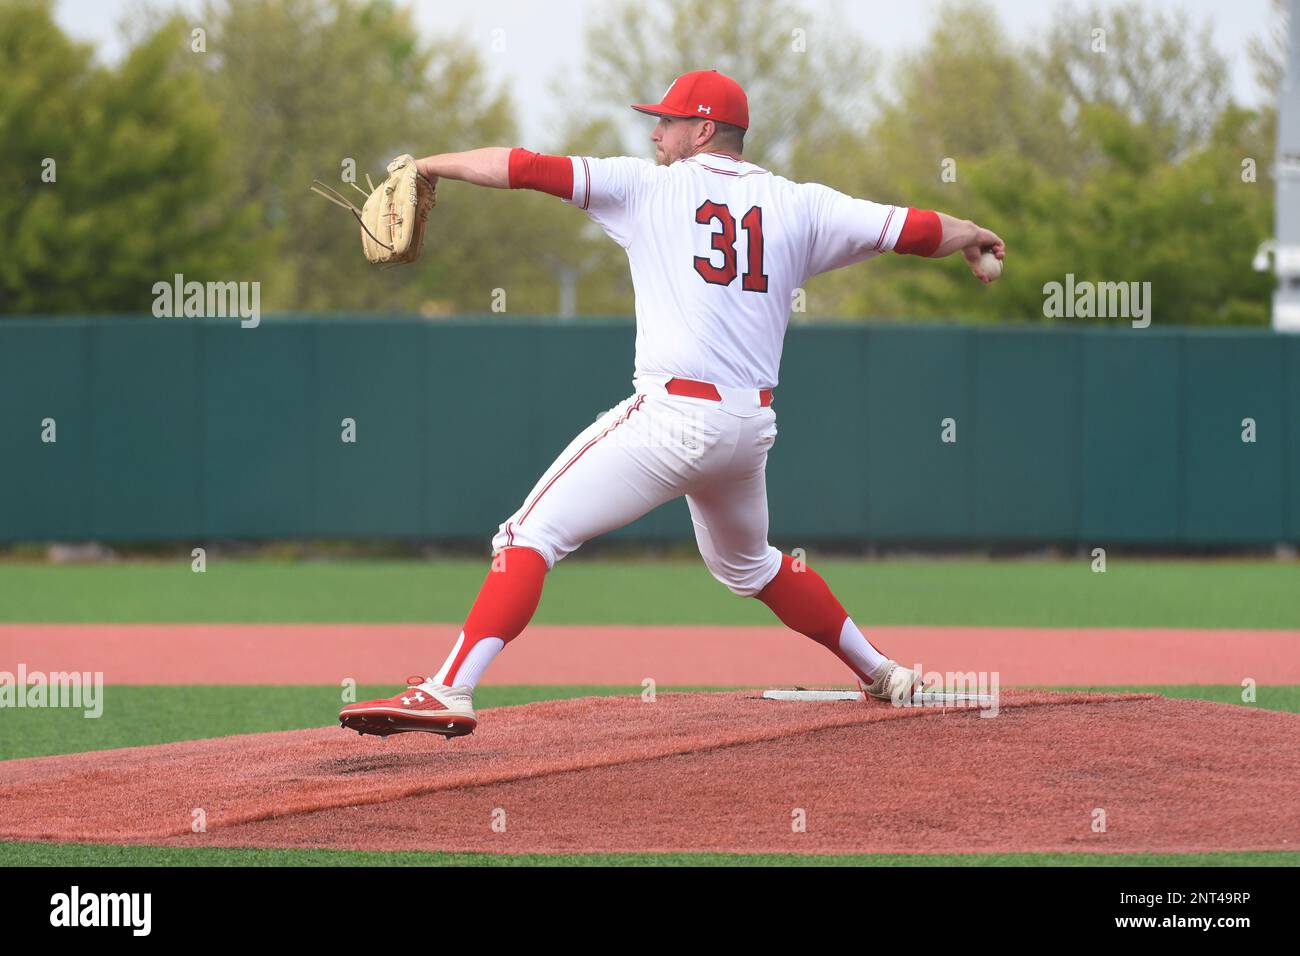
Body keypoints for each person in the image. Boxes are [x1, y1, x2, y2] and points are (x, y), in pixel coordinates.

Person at [339, 69, 1005, 738]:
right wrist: (971, 235)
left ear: (704, 129)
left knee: (527, 535)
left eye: (667, 121)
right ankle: (882, 673)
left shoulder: (645, 188)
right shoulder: (802, 204)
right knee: (753, 564)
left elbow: (522, 166)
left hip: (672, 420)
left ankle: (450, 687)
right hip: (747, 429)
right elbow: (912, 229)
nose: (655, 131)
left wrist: (431, 165)